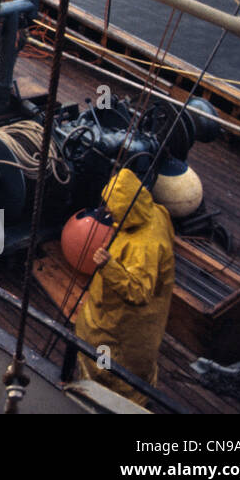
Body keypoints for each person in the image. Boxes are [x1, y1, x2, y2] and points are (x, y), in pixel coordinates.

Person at [74, 167, 176, 406]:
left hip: (122, 328)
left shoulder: (144, 247)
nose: (107, 210)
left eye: (112, 205)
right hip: (110, 311)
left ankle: (105, 398)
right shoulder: (155, 212)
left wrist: (108, 266)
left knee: (108, 365)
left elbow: (139, 292)